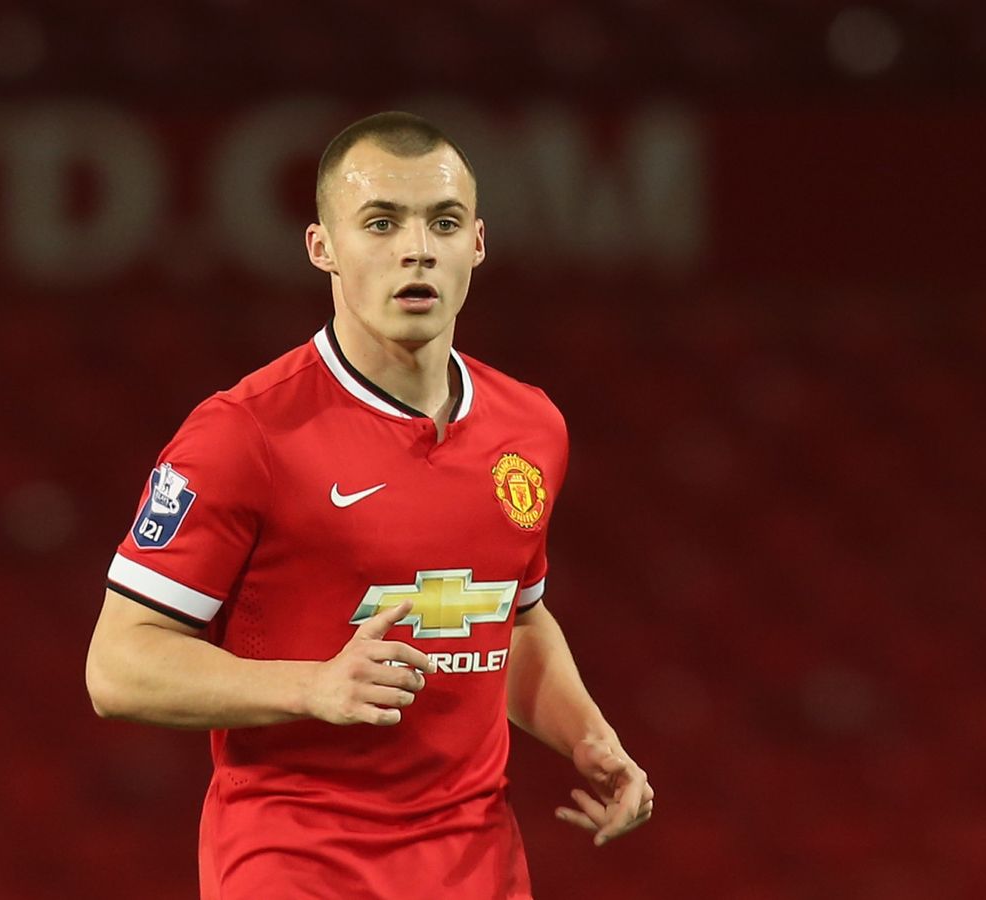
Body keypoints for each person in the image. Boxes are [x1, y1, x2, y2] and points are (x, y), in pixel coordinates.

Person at [85, 111, 652, 900]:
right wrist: (310, 687)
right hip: (297, 868)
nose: (416, 248)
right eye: (381, 223)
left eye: (443, 223)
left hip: (478, 869)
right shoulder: (244, 433)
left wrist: (588, 736)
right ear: (323, 247)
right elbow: (118, 666)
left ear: (476, 244)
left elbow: (512, 621)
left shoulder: (532, 427)